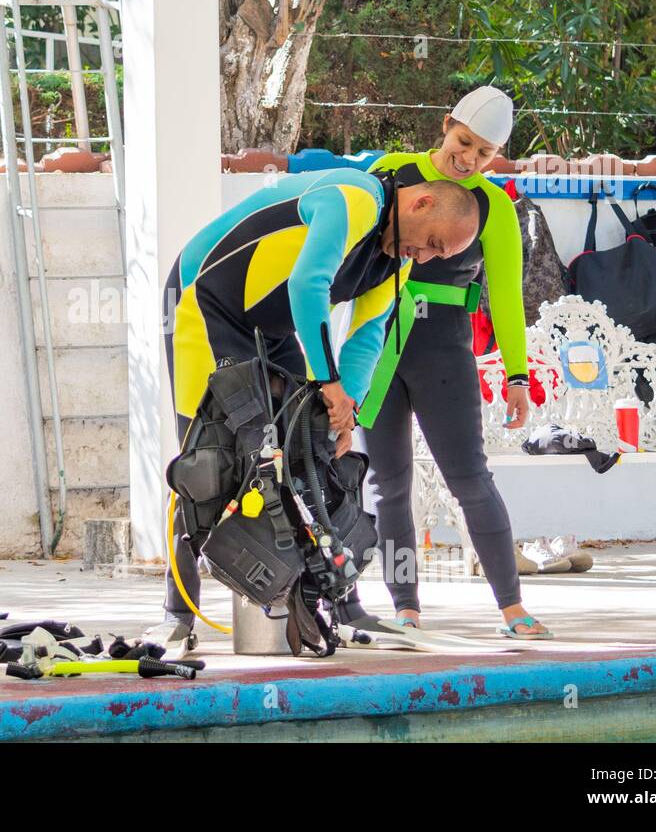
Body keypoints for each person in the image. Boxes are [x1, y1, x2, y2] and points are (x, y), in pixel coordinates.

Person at [146, 166, 481, 656]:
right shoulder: (355, 199)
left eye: (438, 254)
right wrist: (328, 382)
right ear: (420, 203)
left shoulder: (398, 261)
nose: (425, 257)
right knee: (207, 463)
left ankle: (347, 610)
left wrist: (348, 413)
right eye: (430, 243)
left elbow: (368, 335)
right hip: (204, 303)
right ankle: (176, 617)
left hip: (274, 328)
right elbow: (309, 285)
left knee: (315, 451)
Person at [362, 86, 553, 641]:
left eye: (485, 153)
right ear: (447, 125)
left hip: (444, 352)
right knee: (388, 485)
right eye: (464, 142)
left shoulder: (495, 208)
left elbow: (508, 297)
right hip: (376, 347)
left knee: (470, 478)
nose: (468, 158)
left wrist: (518, 374)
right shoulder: (392, 173)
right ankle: (405, 605)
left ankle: (512, 606)